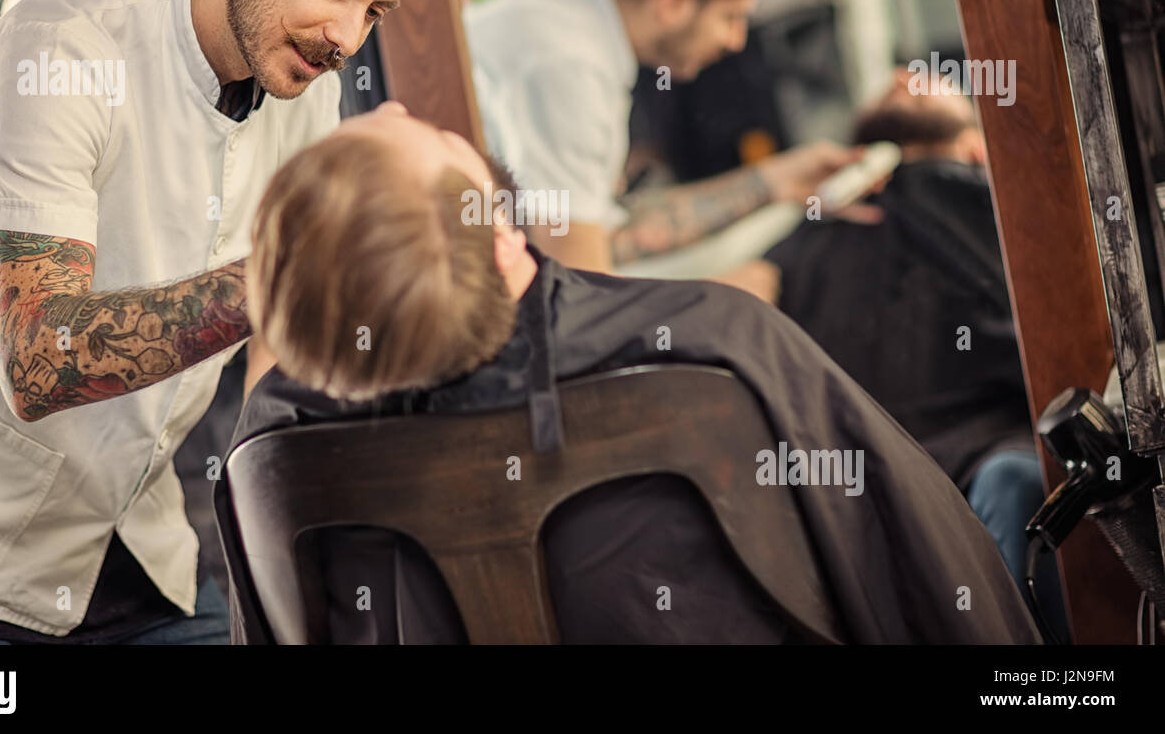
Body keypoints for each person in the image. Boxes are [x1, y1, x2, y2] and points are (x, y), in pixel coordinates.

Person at [0, 0, 454, 645]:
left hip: (141, 541)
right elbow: (42, 357)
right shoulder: (61, 51)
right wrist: (291, 270)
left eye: (374, 12)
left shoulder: (304, 92)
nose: (347, 37)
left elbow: (275, 347)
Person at [231, 100, 1042, 644]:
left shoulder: (274, 447)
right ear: (504, 239)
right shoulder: (716, 344)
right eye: (410, 136)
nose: (391, 105)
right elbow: (939, 589)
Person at [749, 72, 1069, 641]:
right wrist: (771, 189)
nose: (903, 75)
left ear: (976, 145)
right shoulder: (816, 231)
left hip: (985, 456)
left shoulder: (1007, 213)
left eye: (933, 79)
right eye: (896, 77)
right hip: (861, 473)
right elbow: (721, 304)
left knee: (1013, 483)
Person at [463, 0, 861, 278]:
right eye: (730, 18)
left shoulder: (575, 25)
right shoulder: (574, 68)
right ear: (674, 5)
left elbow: (606, 233)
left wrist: (775, 181)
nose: (736, 41)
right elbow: (580, 285)